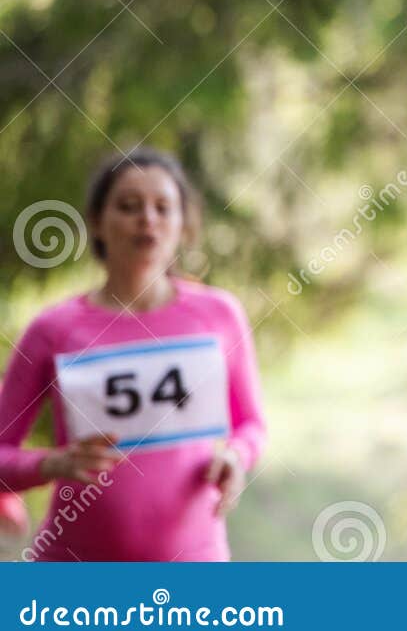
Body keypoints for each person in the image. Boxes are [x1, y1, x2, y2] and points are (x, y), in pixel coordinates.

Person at [0, 147, 266, 561]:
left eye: (164, 207)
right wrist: (52, 464)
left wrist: (236, 456)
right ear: (98, 223)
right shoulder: (53, 330)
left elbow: (252, 424)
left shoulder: (219, 315)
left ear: (183, 224)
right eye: (129, 206)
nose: (148, 219)